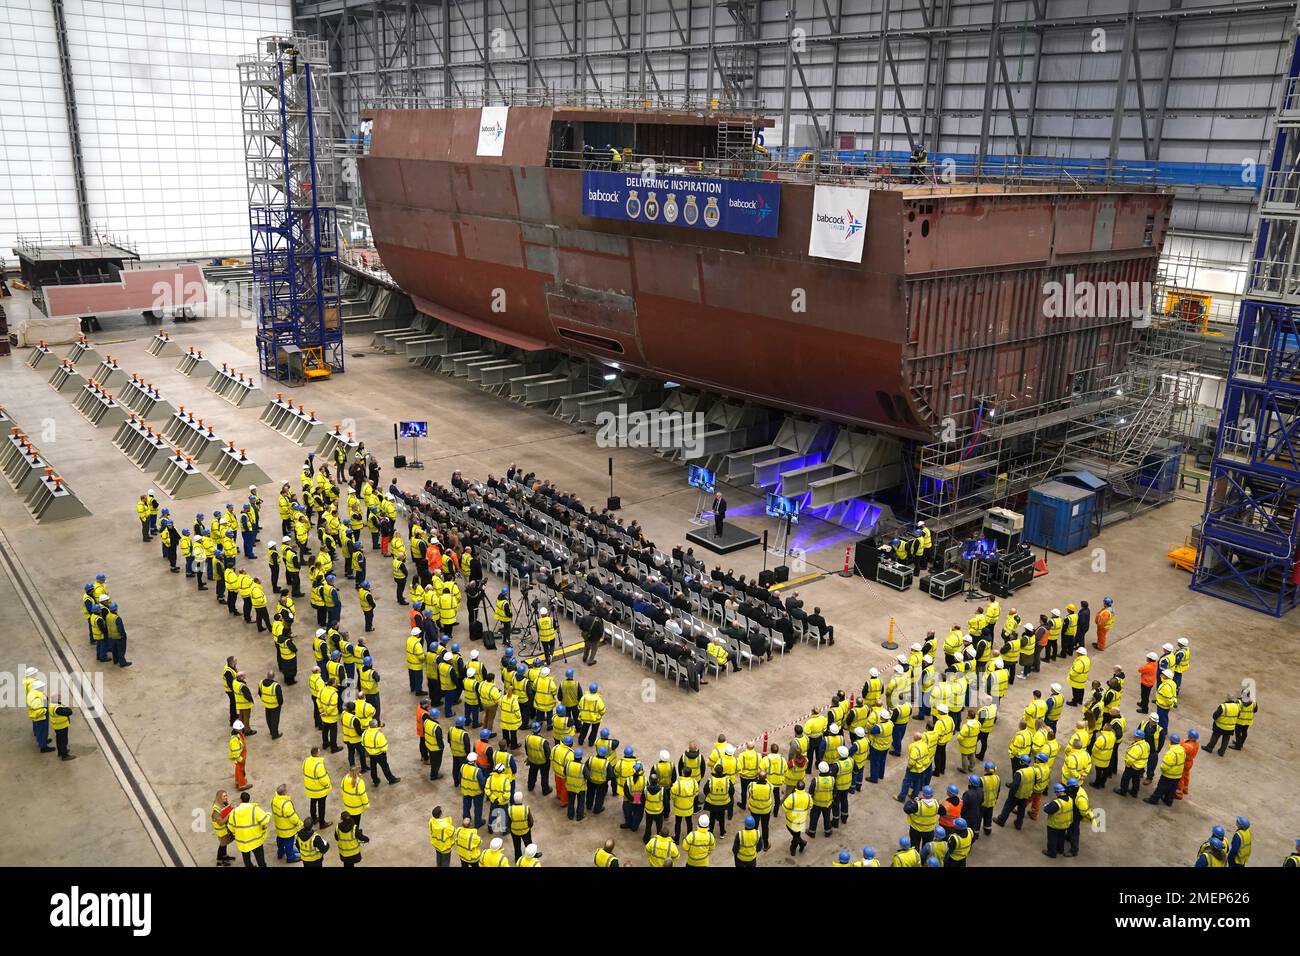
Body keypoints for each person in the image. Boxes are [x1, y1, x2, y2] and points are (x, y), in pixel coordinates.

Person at [228, 791, 270, 867]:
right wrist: (268, 814)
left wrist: (236, 834)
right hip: (256, 840)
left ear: (241, 800)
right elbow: (264, 821)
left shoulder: (233, 812)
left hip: (242, 842)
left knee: (247, 860)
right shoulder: (255, 809)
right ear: (249, 799)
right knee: (261, 861)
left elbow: (230, 827)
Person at [211, 790, 235, 866]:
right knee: (222, 845)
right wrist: (229, 814)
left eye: (226, 795)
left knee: (225, 844)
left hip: (225, 829)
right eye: (224, 796)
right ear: (219, 797)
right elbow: (220, 822)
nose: (226, 797)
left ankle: (224, 857)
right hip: (222, 831)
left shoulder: (222, 803)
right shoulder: (216, 810)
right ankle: (219, 862)